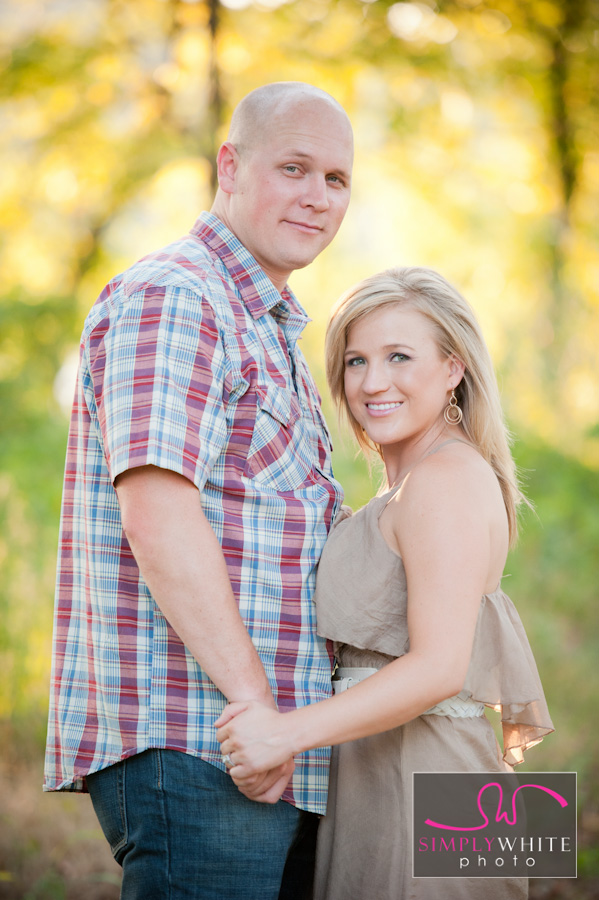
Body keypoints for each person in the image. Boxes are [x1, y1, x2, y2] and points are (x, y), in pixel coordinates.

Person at [43, 82, 354, 899]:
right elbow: (157, 512)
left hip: (266, 746)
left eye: (335, 179)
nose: (318, 197)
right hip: (202, 739)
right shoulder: (178, 296)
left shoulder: (267, 324)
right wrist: (256, 707)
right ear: (230, 166)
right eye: (294, 168)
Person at [216, 266, 554, 899]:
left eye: (399, 356)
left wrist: (284, 734)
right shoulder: (415, 482)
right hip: (396, 777)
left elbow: (439, 669)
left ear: (453, 367)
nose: (373, 382)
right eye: (356, 361)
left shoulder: (444, 479)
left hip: (431, 786)